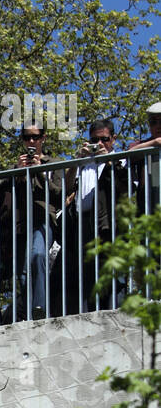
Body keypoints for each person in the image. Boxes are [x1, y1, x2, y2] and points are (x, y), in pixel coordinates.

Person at [63, 119, 129, 311]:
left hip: (111, 223)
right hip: (83, 223)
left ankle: (115, 311)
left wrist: (107, 160)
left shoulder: (121, 158)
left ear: (113, 139)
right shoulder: (84, 163)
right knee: (86, 273)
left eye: (104, 139)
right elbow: (66, 187)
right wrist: (77, 160)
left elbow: (125, 188)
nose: (99, 144)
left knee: (113, 271)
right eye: (94, 140)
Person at [0, 125, 63, 320]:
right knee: (24, 274)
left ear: (43, 138)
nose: (31, 142)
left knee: (37, 256)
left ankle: (40, 307)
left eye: (35, 137)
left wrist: (40, 172)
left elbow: (60, 194)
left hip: (43, 220)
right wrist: (18, 170)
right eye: (27, 137)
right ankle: (30, 314)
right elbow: (0, 191)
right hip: (18, 226)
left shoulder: (54, 163)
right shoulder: (17, 165)